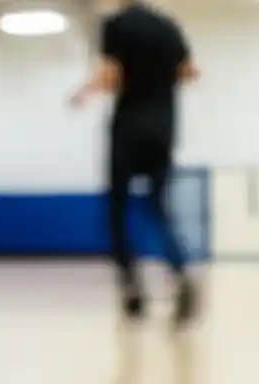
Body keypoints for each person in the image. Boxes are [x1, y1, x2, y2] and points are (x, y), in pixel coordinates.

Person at [70, 0, 199, 326]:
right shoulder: (168, 26)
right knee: (158, 208)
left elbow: (109, 76)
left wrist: (85, 91)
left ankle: (132, 290)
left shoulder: (115, 25)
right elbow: (190, 73)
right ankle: (181, 273)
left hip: (128, 129)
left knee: (117, 210)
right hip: (163, 129)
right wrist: (159, 80)